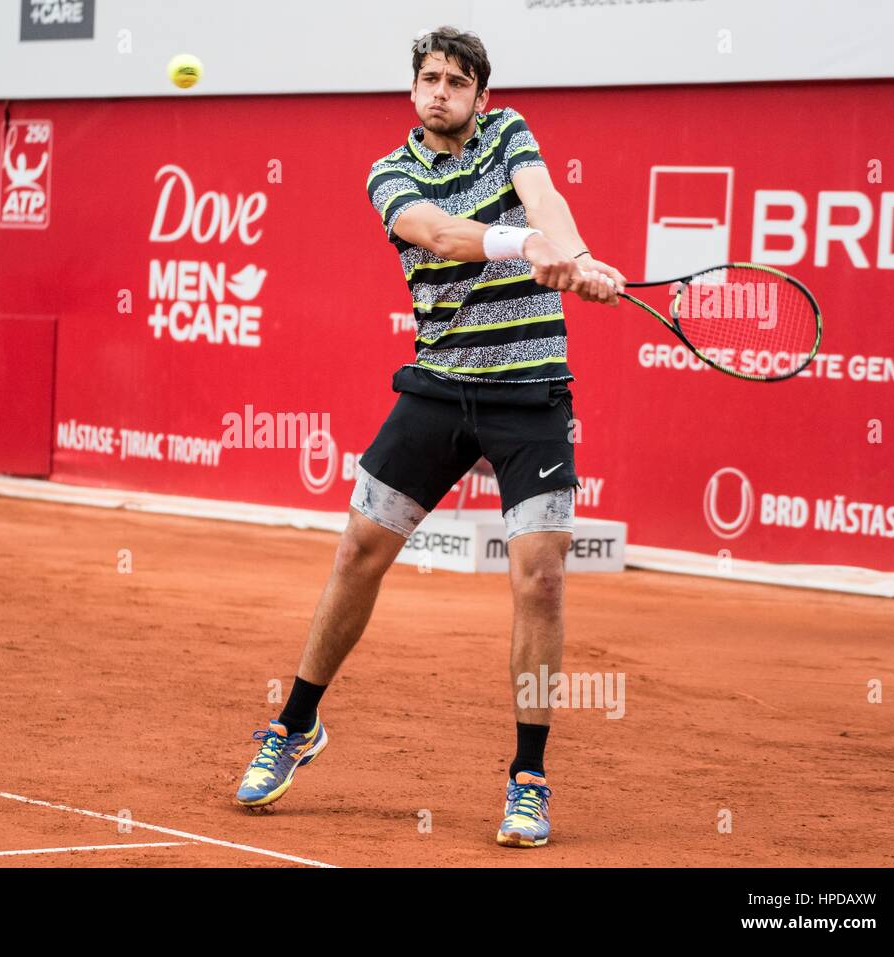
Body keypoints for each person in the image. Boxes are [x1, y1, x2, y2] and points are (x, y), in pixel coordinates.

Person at [234, 26, 627, 849]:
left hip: (531, 396)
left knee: (542, 580)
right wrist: (530, 247)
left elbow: (544, 196)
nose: (440, 91)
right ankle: (295, 723)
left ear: (481, 94)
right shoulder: (391, 173)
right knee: (357, 552)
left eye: (456, 80)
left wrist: (579, 255)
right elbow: (444, 236)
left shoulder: (511, 132)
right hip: (440, 387)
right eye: (428, 79)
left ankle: (528, 779)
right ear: (414, 91)